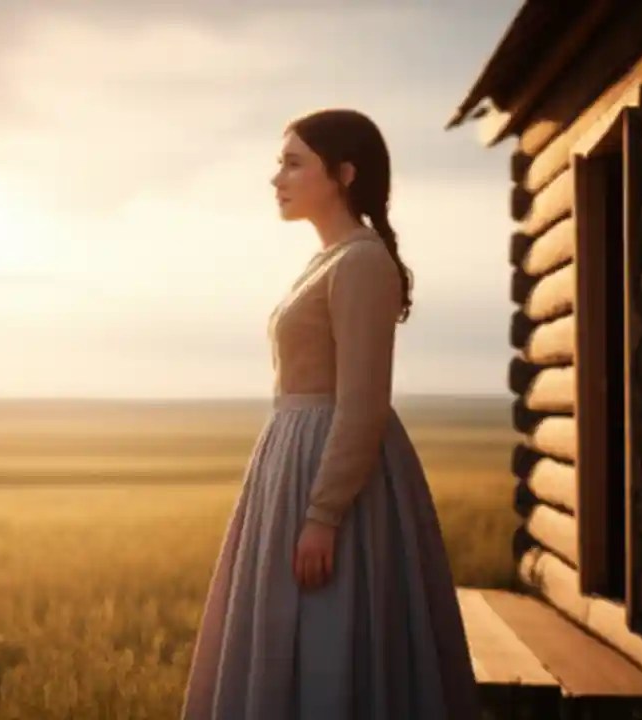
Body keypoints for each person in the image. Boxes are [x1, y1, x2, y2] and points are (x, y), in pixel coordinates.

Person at [180, 109, 482, 719]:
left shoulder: (362, 262)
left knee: (330, 632)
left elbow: (364, 401)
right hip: (293, 461)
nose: (277, 178)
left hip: (334, 475)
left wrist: (324, 512)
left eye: (294, 163)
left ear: (343, 174)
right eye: (279, 162)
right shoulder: (328, 259)